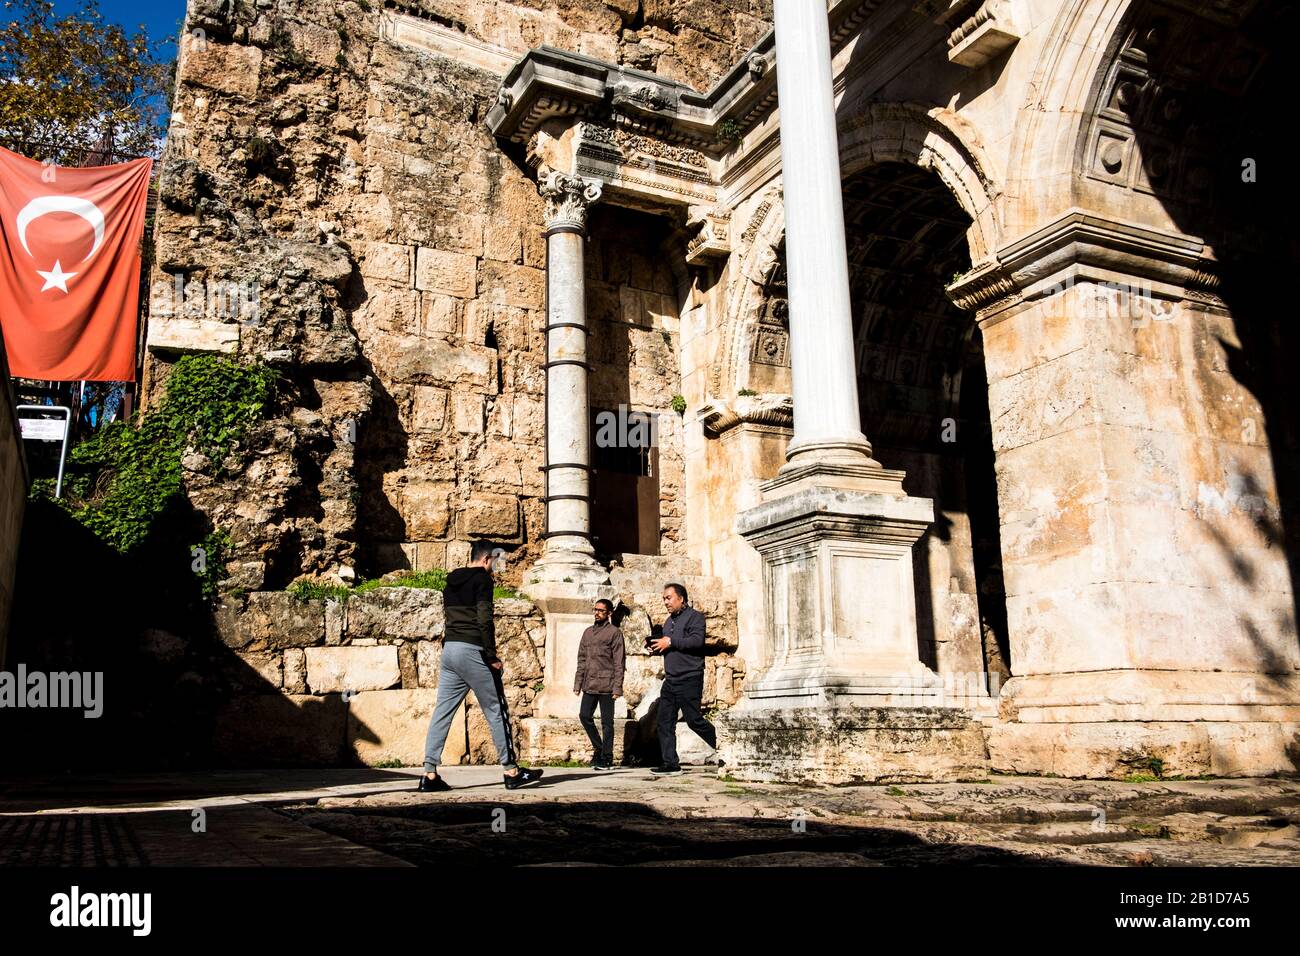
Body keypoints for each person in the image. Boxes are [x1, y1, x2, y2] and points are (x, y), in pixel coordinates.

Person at [419, 542, 544, 792]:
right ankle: (511, 771)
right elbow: (484, 620)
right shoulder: (483, 580)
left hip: (450, 651)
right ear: (487, 559)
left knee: (442, 712)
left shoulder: (451, 581)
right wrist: (491, 655)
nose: (497, 567)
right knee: (496, 709)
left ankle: (429, 774)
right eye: (496, 561)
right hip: (472, 651)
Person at [648, 582, 716, 776]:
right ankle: (670, 764)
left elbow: (696, 642)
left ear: (681, 598)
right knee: (664, 722)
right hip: (671, 680)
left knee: (694, 720)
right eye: (664, 599)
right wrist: (656, 648)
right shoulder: (668, 622)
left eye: (668, 598)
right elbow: (671, 647)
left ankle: (727, 747)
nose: (665, 602)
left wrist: (670, 641)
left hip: (690, 677)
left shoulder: (695, 617)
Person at [574, 598, 625, 771]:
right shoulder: (587, 632)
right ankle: (599, 748)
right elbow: (581, 659)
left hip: (607, 684)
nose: (597, 613)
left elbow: (619, 662)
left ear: (609, 613)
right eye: (595, 609)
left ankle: (607, 757)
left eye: (601, 610)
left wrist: (617, 687)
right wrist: (578, 683)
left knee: (607, 723)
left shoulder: (614, 633)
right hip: (589, 683)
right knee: (584, 716)